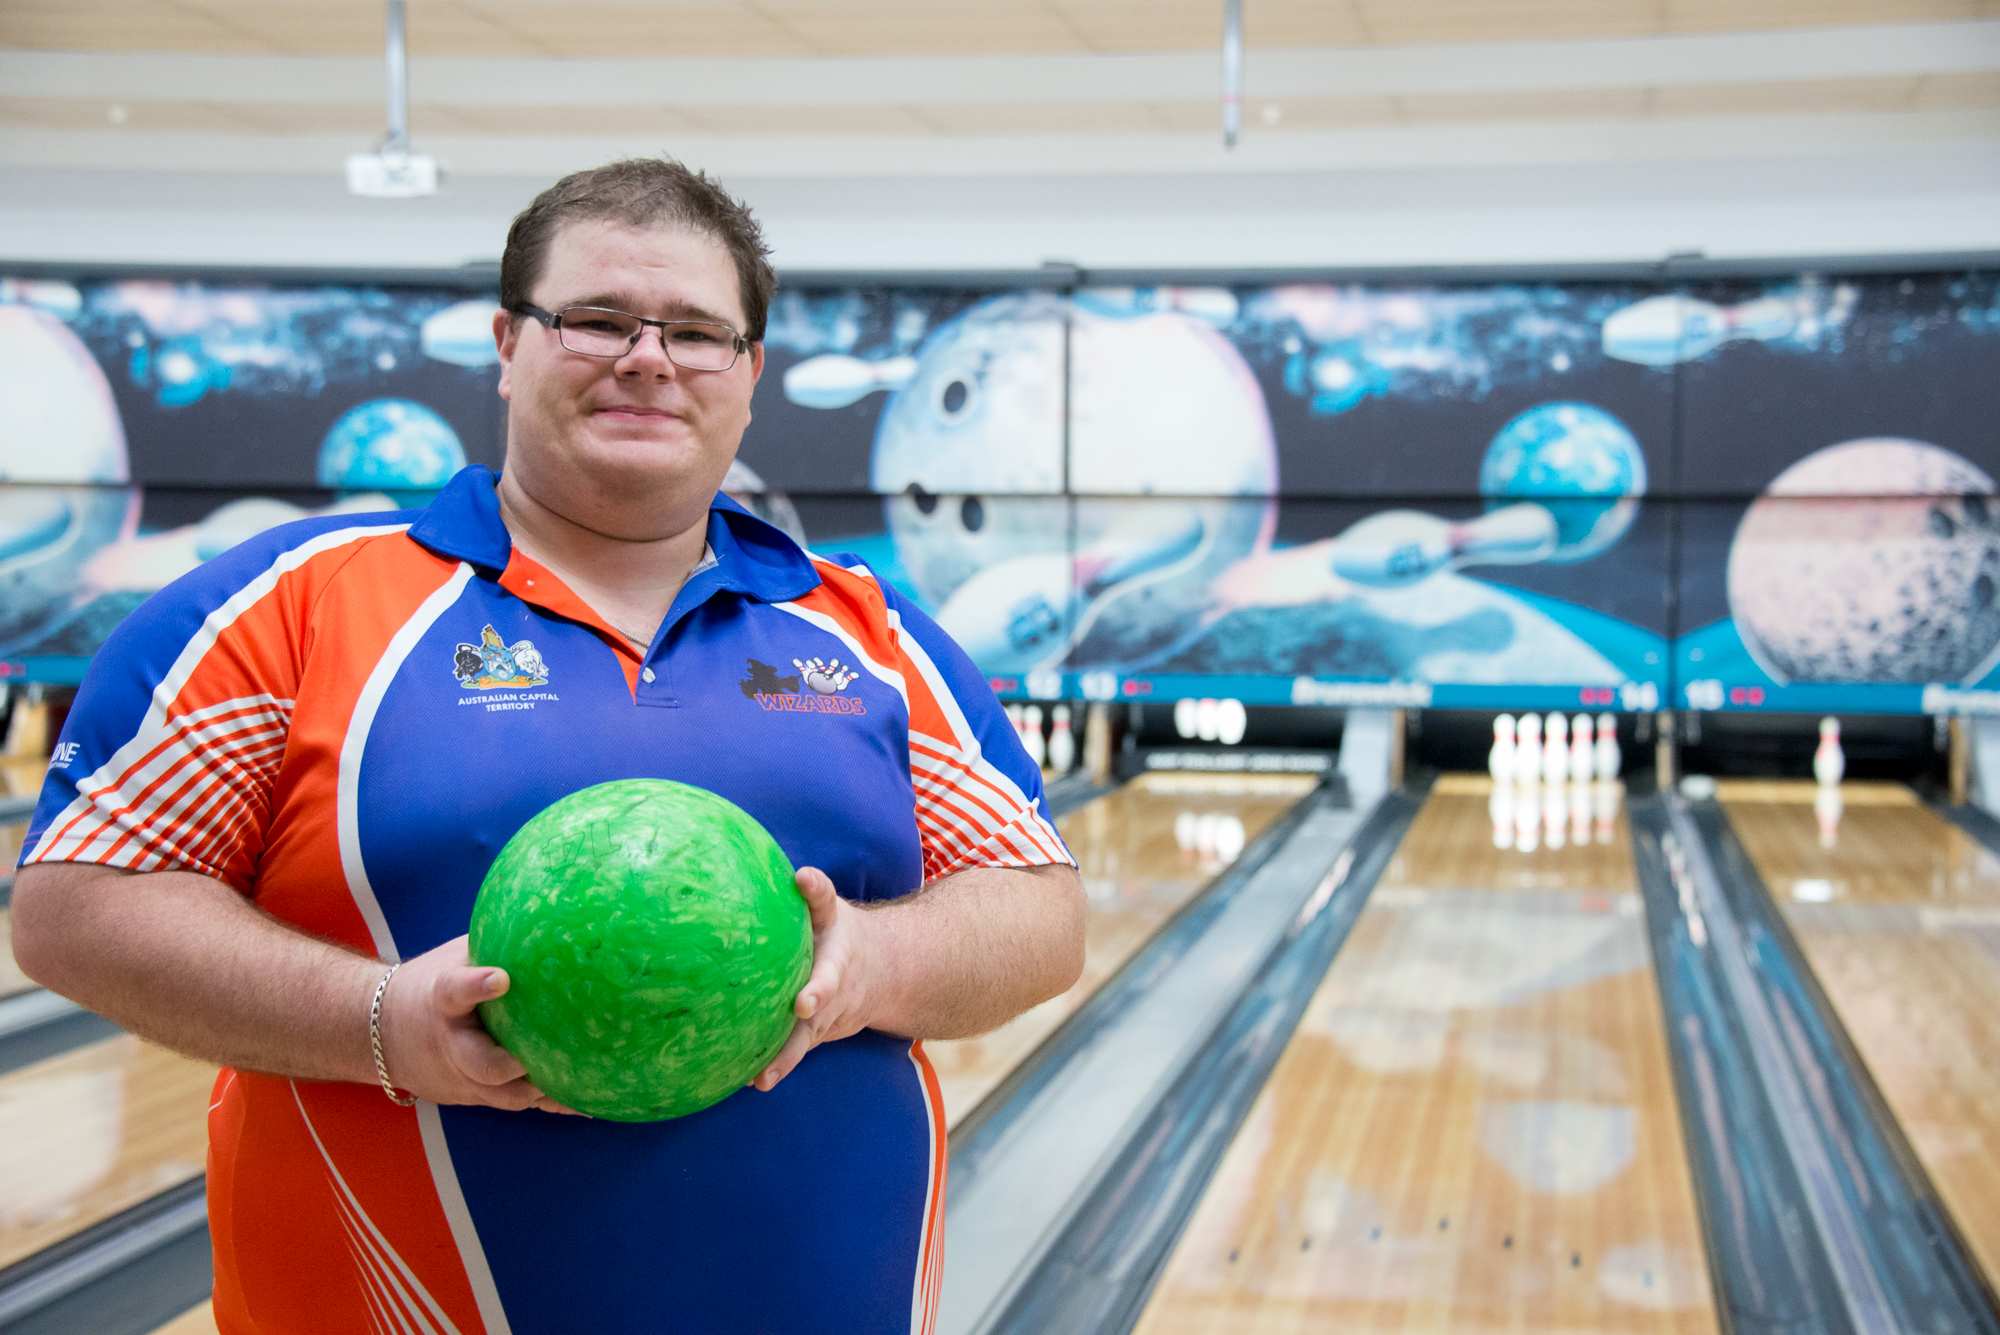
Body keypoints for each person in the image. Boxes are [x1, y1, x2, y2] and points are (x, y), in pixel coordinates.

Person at [11, 158, 1084, 1334]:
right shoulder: (288, 607)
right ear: (507, 343)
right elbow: (76, 906)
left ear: (750, 371)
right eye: (596, 320)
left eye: (695, 331)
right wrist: (379, 1022)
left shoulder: (876, 636)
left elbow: (1036, 912)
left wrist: (872, 963)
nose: (647, 356)